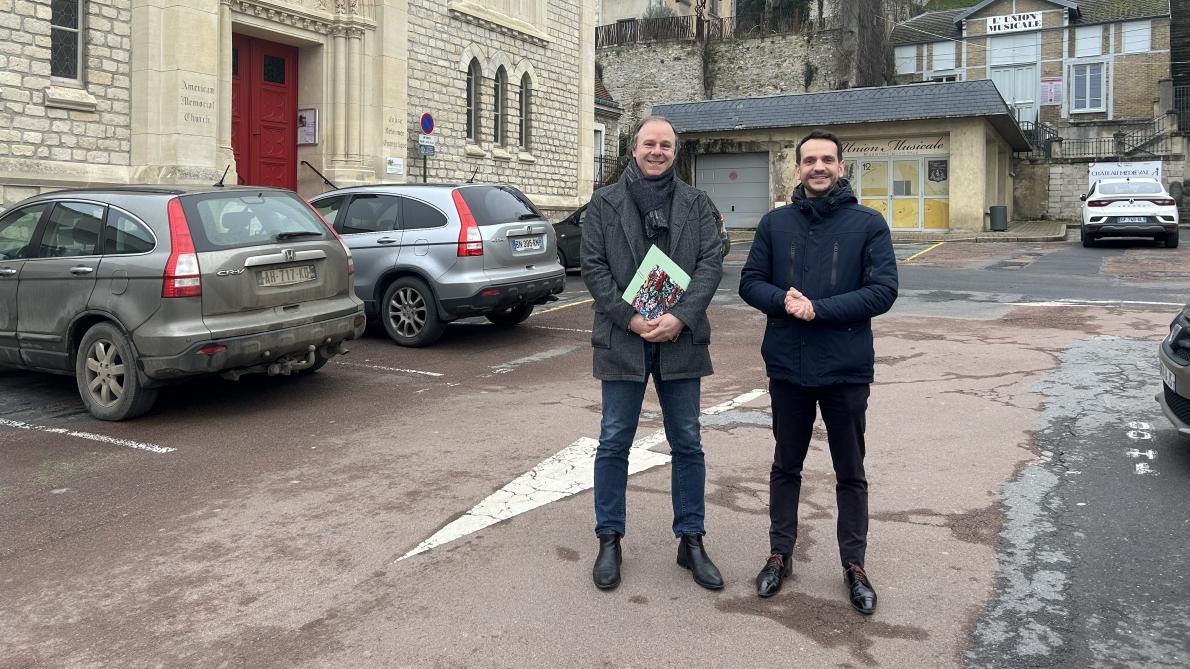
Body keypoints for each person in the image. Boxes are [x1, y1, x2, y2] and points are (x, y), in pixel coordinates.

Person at [738, 129, 898, 614]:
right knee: (785, 466)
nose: (818, 167)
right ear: (797, 169)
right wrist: (783, 302)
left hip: (845, 369)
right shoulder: (775, 224)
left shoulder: (868, 224)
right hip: (788, 366)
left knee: (850, 471)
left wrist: (819, 310)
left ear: (842, 167)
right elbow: (750, 281)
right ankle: (778, 554)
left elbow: (883, 291)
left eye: (827, 159)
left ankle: (854, 565)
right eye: (810, 160)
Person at [580, 116, 725, 591]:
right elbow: (594, 267)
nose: (657, 151)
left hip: (680, 337)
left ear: (674, 152)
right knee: (614, 440)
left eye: (665, 145)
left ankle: (691, 540)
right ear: (634, 148)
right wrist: (632, 318)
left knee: (687, 441)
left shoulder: (697, 204)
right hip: (624, 336)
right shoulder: (604, 204)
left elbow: (709, 262)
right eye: (649, 143)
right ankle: (609, 539)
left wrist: (680, 316)